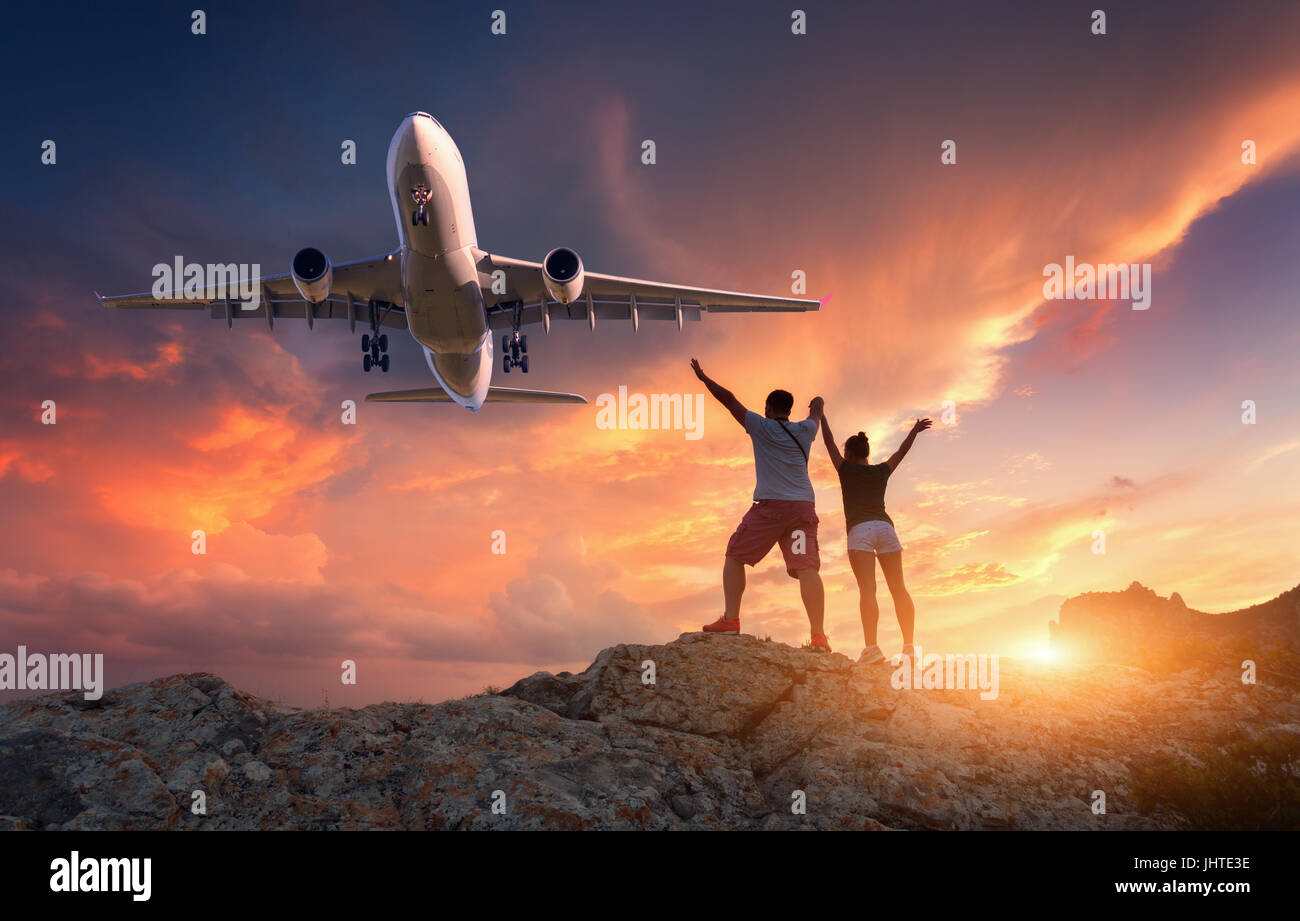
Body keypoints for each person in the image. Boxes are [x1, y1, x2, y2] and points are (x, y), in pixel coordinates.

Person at [690, 358, 830, 652]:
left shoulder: (759, 425)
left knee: (735, 553)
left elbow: (729, 400)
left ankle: (731, 620)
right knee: (807, 568)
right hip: (802, 509)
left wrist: (704, 378)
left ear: (768, 408)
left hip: (771, 510)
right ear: (789, 410)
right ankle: (818, 636)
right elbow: (816, 411)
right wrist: (817, 403)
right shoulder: (806, 430)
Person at [812, 401, 931, 664]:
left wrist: (822, 417)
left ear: (849, 453)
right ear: (866, 452)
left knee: (868, 590)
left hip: (860, 530)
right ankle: (910, 647)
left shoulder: (845, 469)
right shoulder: (881, 471)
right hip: (885, 528)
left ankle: (872, 648)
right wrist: (914, 431)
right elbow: (901, 451)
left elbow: (828, 442)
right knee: (899, 588)